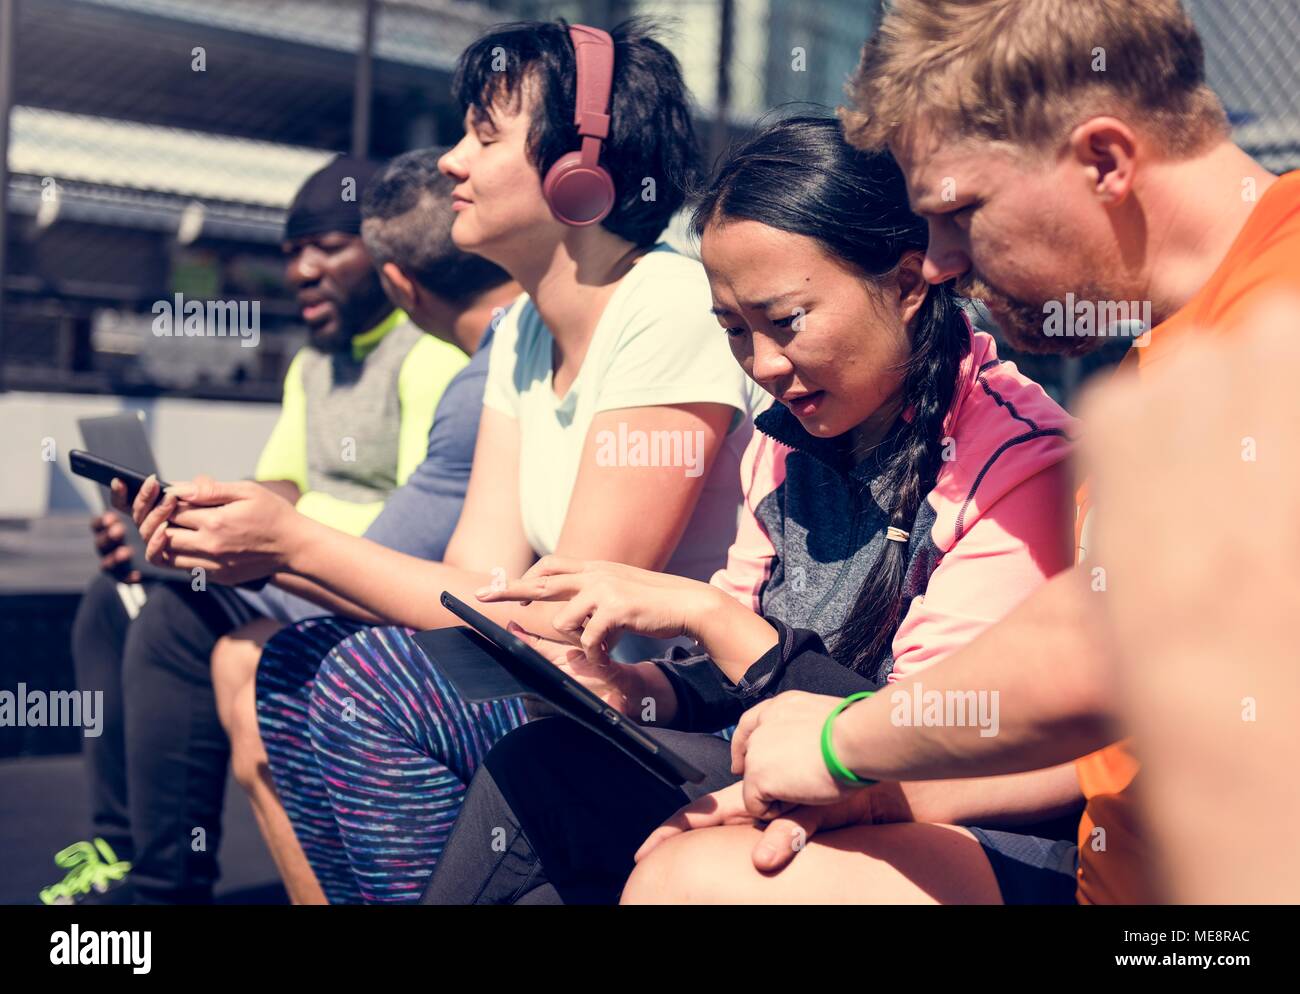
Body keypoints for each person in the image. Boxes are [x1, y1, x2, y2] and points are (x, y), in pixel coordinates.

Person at [613, 0, 1299, 905]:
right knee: (686, 860)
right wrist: (869, 791)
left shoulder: (1277, 311)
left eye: (959, 211)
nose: (934, 263)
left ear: (1103, 160)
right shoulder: (1177, 343)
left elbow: (1107, 646)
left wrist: (841, 744)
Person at [131, 18, 768, 904]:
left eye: (484, 135)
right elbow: (478, 578)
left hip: (683, 715)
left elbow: (558, 621)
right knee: (287, 668)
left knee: (367, 680)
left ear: (577, 172)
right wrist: (266, 544)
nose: (451, 163)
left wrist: (292, 543)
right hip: (576, 690)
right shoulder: (520, 336)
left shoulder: (665, 305)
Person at [418, 114, 1078, 906]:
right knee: (543, 767)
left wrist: (709, 617)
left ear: (905, 286)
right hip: (803, 772)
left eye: (786, 321)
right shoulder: (789, 433)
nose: (762, 365)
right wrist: (640, 692)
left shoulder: (1017, 464)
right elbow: (735, 679)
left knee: (642, 849)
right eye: (734, 330)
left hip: (967, 821)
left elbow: (919, 738)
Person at [41, 152, 518, 905]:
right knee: (115, 598)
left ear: (389, 264)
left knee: (173, 617)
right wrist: (188, 512)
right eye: (291, 252)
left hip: (355, 573)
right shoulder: (312, 365)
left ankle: (167, 887)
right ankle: (119, 851)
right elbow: (284, 484)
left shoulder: (434, 357)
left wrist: (269, 537)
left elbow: (419, 526)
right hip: (295, 559)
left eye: (327, 248)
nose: (301, 270)